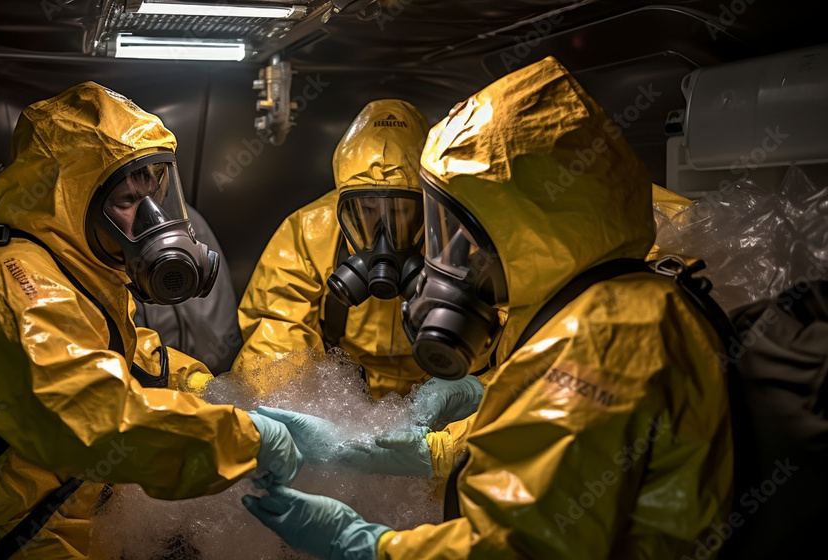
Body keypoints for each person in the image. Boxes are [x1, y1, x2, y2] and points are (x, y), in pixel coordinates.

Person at [242, 57, 733, 559]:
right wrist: (424, 447)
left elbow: (510, 547)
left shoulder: (599, 343)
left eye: (458, 229)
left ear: (520, 222)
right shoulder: (610, 303)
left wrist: (366, 545)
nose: (452, 259)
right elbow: (544, 445)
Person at [0, 82, 302, 559]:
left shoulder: (76, 266)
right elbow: (92, 413)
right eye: (126, 201)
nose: (152, 219)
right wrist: (248, 440)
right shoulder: (7, 283)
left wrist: (208, 391)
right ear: (67, 201)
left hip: (73, 524)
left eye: (154, 194)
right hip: (9, 536)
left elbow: (124, 354)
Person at [233, 99, 486, 423]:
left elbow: (504, 345)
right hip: (342, 405)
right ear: (344, 203)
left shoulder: (464, 239)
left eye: (399, 210)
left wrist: (466, 399)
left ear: (426, 201)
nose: (383, 227)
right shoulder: (308, 232)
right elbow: (275, 340)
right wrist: (303, 415)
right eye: (366, 209)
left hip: (437, 406)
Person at [133, 203, 243, 377]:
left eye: (154, 190)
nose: (147, 202)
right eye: (127, 199)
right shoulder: (106, 241)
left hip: (212, 372)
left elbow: (222, 328)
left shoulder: (188, 221)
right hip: (156, 382)